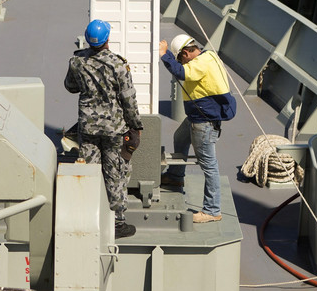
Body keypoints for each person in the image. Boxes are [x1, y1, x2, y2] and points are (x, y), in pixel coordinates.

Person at [65, 20, 143, 239]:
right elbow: (128, 99)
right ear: (107, 38)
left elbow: (70, 86)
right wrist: (136, 126)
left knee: (89, 172)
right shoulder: (118, 65)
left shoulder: (77, 61)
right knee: (115, 173)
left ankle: (88, 219)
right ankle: (117, 223)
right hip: (114, 129)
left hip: (88, 127)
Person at [158, 33, 232, 224]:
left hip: (204, 122)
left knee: (209, 165)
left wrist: (164, 55)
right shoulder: (208, 55)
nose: (181, 63)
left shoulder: (200, 64)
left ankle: (212, 210)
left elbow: (181, 73)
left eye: (180, 59)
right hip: (196, 117)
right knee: (180, 138)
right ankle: (176, 176)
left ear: (185, 54)